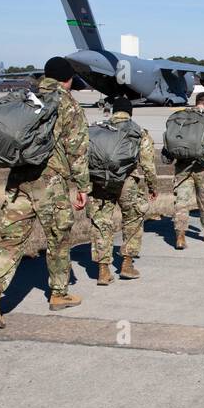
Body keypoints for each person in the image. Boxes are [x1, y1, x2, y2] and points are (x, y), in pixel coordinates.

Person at [0, 57, 90, 328]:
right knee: (58, 238)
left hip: (19, 180)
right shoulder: (68, 104)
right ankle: (59, 293)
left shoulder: (26, 97)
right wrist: (83, 186)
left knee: (11, 242)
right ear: (68, 79)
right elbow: (77, 148)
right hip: (50, 183)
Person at [88, 96, 157, 284]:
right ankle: (127, 263)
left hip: (101, 182)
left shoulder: (99, 129)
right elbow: (148, 164)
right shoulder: (138, 132)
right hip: (127, 182)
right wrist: (152, 186)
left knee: (101, 223)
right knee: (133, 220)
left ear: (112, 111)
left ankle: (103, 270)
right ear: (130, 112)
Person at [172, 90, 204, 250]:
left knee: (181, 202)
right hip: (203, 167)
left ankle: (180, 236)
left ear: (196, 102)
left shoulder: (181, 116)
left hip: (182, 166)